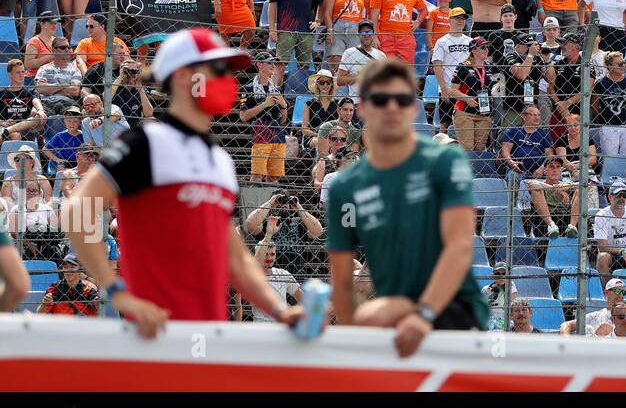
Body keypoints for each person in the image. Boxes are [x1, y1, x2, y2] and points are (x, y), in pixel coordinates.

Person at [63, 28, 303, 334]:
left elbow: (237, 258)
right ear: (181, 77)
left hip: (207, 337)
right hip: (155, 338)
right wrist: (115, 290)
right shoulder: (147, 141)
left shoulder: (220, 161)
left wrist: (282, 312)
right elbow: (77, 209)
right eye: (217, 70)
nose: (227, 80)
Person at [327, 58, 489, 357]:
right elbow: (341, 282)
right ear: (362, 107)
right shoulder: (343, 186)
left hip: (451, 305)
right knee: (360, 319)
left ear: (413, 108)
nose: (391, 107)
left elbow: (459, 246)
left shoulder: (445, 161)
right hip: (393, 308)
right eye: (379, 99)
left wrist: (423, 314)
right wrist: (351, 350)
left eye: (401, 99)